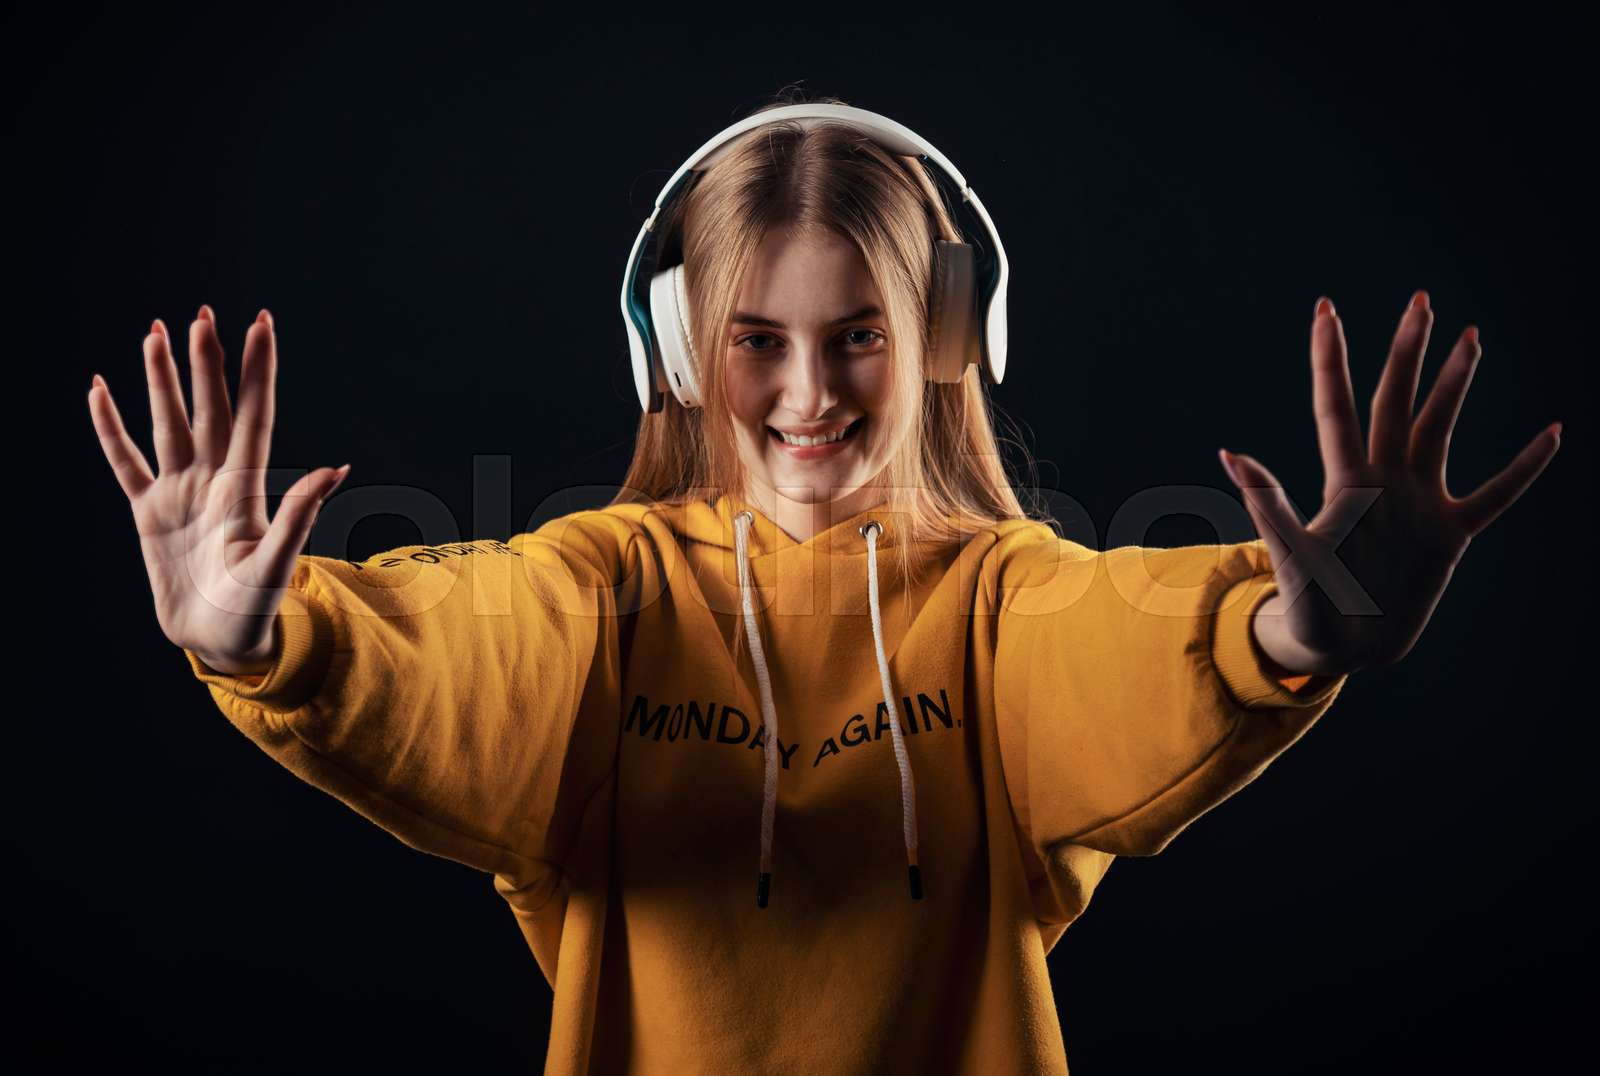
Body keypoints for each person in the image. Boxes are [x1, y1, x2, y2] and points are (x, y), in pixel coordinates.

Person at [85, 90, 1561, 1075]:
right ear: (676, 351)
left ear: (943, 335)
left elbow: (1116, 651)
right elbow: (469, 661)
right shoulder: (605, 589)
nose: (809, 393)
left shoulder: (998, 604)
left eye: (858, 333)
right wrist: (277, 643)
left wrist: (1292, 622)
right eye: (756, 340)